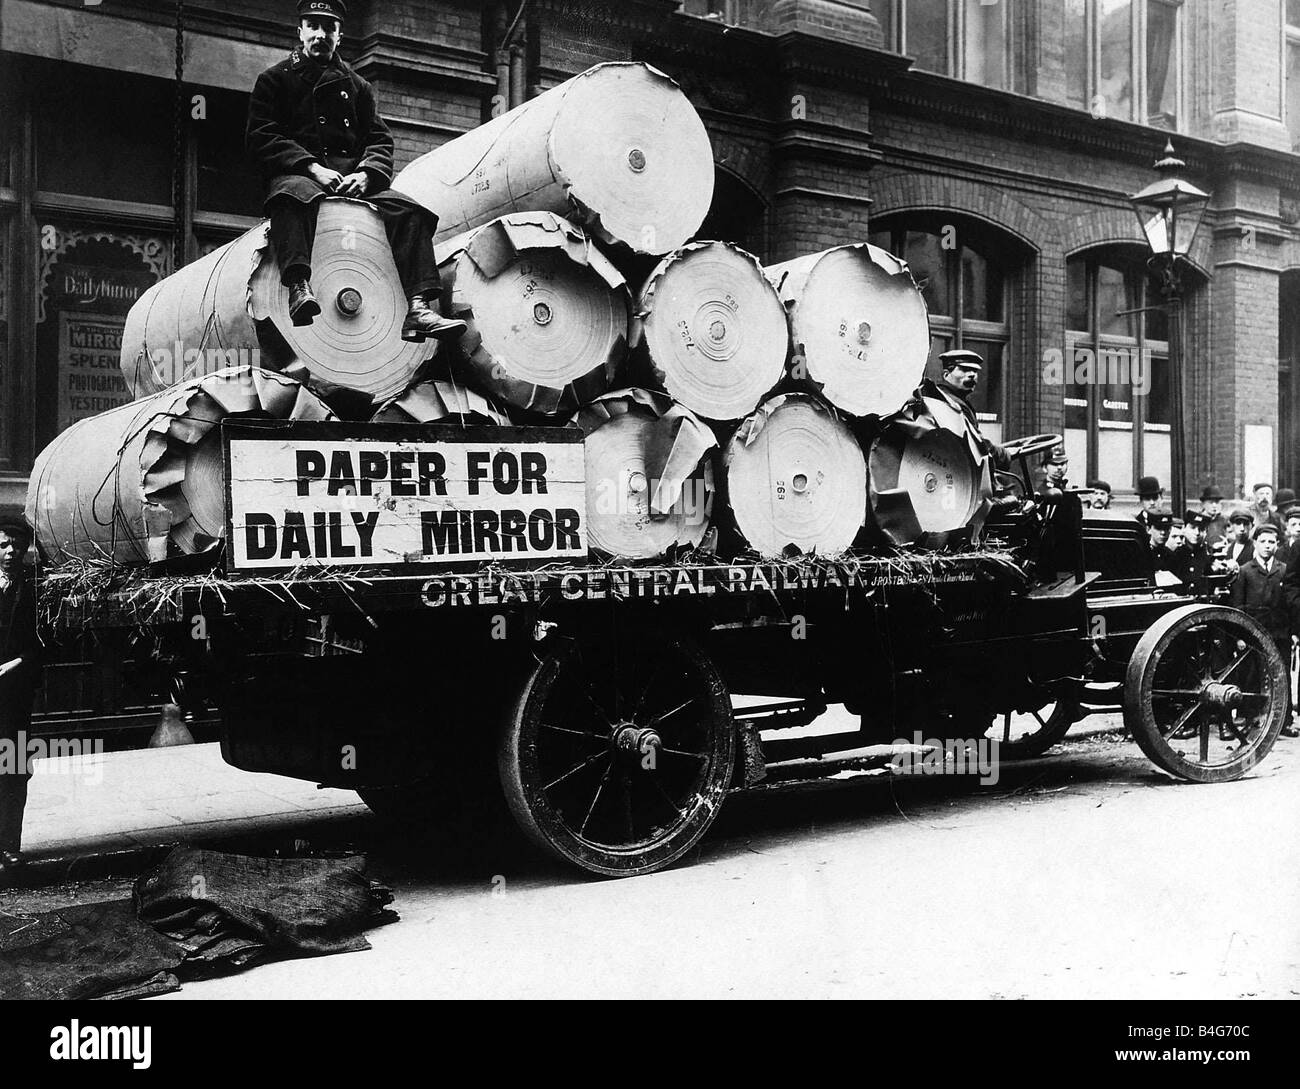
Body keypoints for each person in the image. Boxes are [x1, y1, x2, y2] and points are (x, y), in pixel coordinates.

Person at [246, 1, 466, 341]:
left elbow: (379, 138)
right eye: (314, 26)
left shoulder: (358, 86)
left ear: (339, 35)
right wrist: (312, 167)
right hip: (300, 172)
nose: (321, 35)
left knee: (411, 211)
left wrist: (365, 174)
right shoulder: (275, 80)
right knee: (291, 197)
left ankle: (418, 308)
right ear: (300, 31)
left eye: (328, 28)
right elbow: (262, 136)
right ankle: (299, 287)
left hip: (351, 177)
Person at [1230, 525, 1298, 737]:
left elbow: (1290, 604)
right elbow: (1237, 606)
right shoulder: (1245, 571)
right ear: (1256, 543)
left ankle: (1284, 720)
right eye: (1264, 541)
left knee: (1281, 674)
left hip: (1279, 631)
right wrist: (1240, 636)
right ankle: (1248, 717)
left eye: (1272, 542)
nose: (1268, 546)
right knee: (1250, 674)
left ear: (1277, 545)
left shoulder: (1284, 569)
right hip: (1252, 632)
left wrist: (1294, 631)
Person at [0, 510, 39, 878]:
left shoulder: (34, 589)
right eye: (3, 545)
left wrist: (10, 667)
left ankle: (10, 847)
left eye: (17, 545)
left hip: (14, 699)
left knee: (12, 769)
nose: (10, 552)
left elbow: (42, 646)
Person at [915, 349, 1012, 472]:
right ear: (946, 374)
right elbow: (977, 445)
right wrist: (1003, 455)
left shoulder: (944, 398)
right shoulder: (953, 404)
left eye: (975, 371)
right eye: (964, 370)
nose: (972, 374)